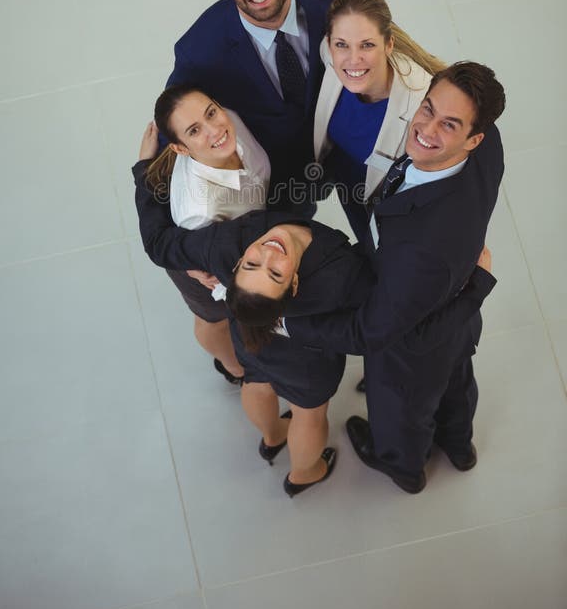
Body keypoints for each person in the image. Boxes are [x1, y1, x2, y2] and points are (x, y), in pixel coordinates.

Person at [133, 133, 495, 496]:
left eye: (254, 263)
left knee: (256, 382)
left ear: (237, 264)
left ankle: (273, 436)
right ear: (292, 286)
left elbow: (158, 244)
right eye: (275, 272)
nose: (270, 253)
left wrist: (144, 169)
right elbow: (391, 326)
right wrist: (476, 287)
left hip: (251, 337)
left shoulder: (222, 247)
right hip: (303, 361)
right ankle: (305, 473)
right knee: (308, 414)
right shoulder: (342, 281)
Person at [287, 61, 506, 494]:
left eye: (449, 124)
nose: (425, 128)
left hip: (411, 347)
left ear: (473, 138)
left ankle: (404, 468)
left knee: (400, 411)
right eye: (428, 108)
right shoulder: (488, 145)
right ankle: (459, 445)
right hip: (457, 315)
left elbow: (369, 333)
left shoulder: (423, 248)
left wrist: (286, 324)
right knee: (457, 379)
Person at [166, 0, 359, 207]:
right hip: (276, 183)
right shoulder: (200, 51)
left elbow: (376, 43)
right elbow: (173, 132)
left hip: (354, 145)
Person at [140, 84, 270, 385]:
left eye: (211, 113)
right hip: (199, 262)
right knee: (213, 317)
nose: (215, 130)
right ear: (180, 148)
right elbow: (211, 267)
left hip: (248, 229)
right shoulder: (200, 208)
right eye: (195, 131)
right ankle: (233, 368)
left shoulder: (231, 121)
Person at [313, 0, 445, 241]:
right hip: (349, 187)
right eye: (342, 44)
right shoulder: (327, 55)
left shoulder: (422, 107)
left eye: (367, 45)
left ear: (389, 44)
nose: (353, 60)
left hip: (392, 214)